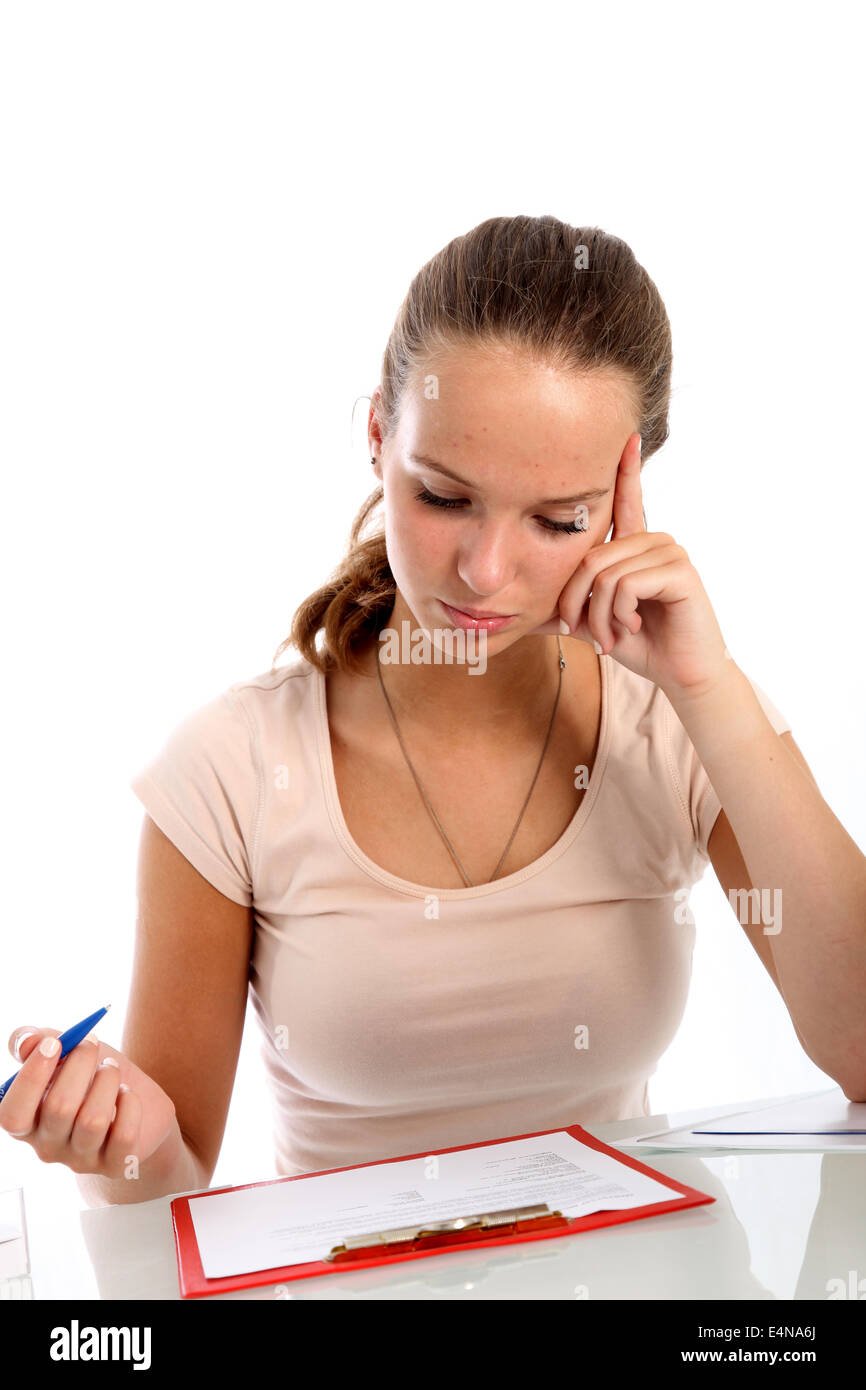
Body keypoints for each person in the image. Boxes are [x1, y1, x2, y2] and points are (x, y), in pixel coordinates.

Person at [5, 215, 863, 1205]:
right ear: (377, 435)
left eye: (558, 519)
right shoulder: (230, 768)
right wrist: (125, 1139)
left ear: (625, 497)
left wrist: (708, 692)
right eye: (444, 497)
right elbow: (165, 1185)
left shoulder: (673, 721)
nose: (483, 572)